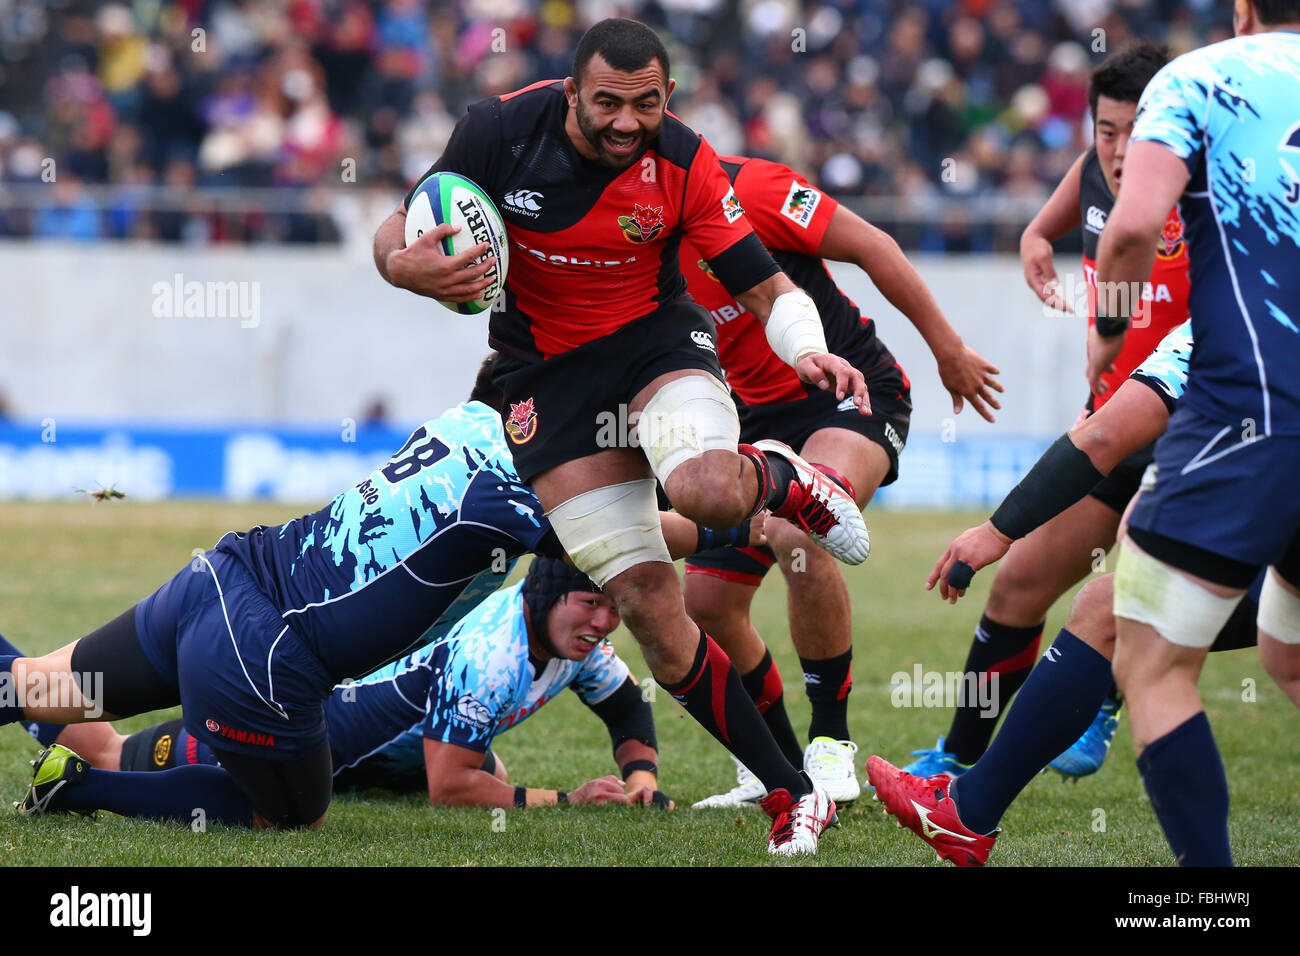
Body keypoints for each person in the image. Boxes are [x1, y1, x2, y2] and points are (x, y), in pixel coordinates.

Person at [372, 18, 871, 854]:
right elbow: (403, 221)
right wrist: (401, 264)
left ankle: (785, 480)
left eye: (645, 103)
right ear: (572, 92)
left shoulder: (683, 157)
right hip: (544, 383)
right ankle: (791, 794)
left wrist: (808, 348)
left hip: (655, 347)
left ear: (666, 97)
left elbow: (764, 284)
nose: (625, 121)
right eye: (607, 102)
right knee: (647, 604)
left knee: (707, 490)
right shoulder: (498, 129)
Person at [0, 356, 750, 831]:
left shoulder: (459, 432)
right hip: (267, 667)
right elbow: (626, 534)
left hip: (219, 582)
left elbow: (621, 685)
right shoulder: (508, 491)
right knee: (282, 811)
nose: (601, 615)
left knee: (38, 689)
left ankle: (80, 767)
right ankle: (77, 791)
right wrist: (744, 513)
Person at [674, 154, 1001, 807]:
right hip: (746, 424)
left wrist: (948, 350)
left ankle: (831, 748)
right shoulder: (628, 235)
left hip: (849, 395)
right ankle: (779, 772)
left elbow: (874, 245)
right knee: (706, 606)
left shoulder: (752, 188)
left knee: (802, 527)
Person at [901, 42, 1190, 782]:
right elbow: (1051, 223)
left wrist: (1108, 332)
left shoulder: (1209, 185)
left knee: (1127, 582)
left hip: (1196, 430)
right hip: (1113, 427)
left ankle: (1101, 703)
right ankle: (956, 758)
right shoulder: (1096, 168)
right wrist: (1034, 241)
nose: (1122, 151)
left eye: (1138, 129)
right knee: (1019, 584)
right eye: (1107, 131)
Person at [867, 322, 1255, 866]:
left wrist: (996, 531)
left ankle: (973, 807)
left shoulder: (1229, 317)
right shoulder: (1252, 295)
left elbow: (1102, 438)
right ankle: (969, 781)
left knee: (1121, 617)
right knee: (1127, 615)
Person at [1089, 0, 1300, 866]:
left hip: (1257, 409)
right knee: (1289, 654)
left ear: (1244, 9)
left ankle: (1207, 902)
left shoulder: (1200, 76)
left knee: (1149, 658)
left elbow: (1133, 225)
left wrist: (1107, 327)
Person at [15, 558, 673, 819]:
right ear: (551, 595)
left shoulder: (573, 637)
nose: (604, 621)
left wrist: (640, 777)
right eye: (592, 604)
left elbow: (623, 707)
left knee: (485, 760)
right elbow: (452, 789)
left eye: (612, 608)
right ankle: (77, 786)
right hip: (302, 712)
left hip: (358, 735)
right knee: (107, 747)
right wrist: (569, 801)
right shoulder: (494, 655)